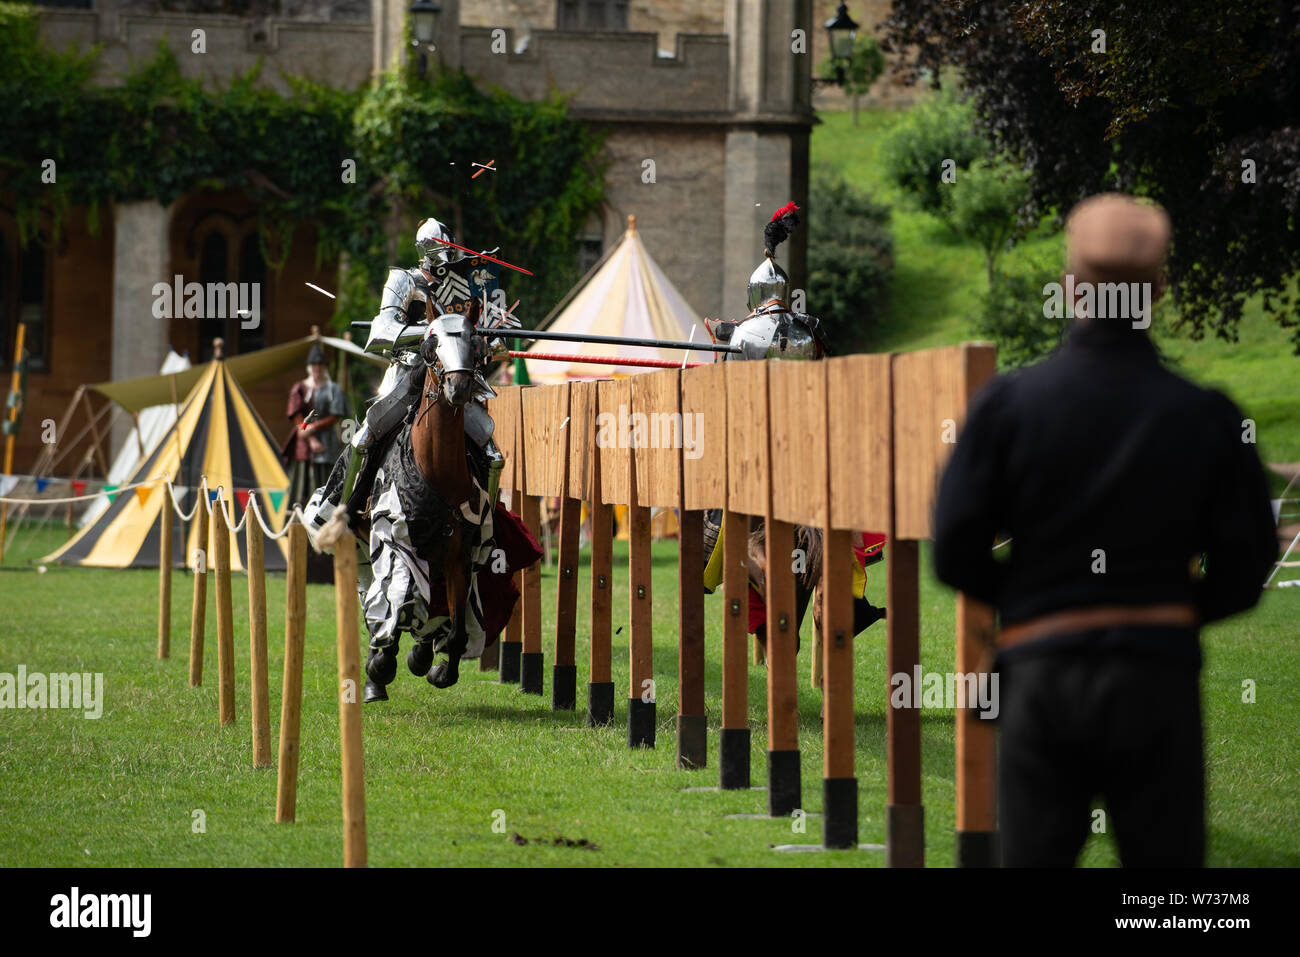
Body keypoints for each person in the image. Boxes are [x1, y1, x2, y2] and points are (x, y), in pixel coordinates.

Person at [932, 193, 1278, 867]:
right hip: (1157, 677)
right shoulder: (1206, 415)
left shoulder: (1008, 405)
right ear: (1160, 289)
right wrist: (1169, 609)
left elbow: (954, 547)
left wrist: (1035, 598)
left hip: (1040, 673)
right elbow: (1248, 561)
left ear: (1070, 287)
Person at [702, 201, 885, 648]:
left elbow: (726, 392)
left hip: (754, 448)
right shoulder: (807, 330)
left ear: (753, 294)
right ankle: (843, 593)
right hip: (809, 444)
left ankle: (732, 581)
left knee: (709, 514)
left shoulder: (744, 334)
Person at [283, 341, 349, 509]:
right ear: (309, 367)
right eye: (314, 365)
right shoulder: (300, 388)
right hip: (303, 444)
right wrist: (309, 436)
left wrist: (314, 427)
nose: (317, 368)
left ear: (324, 367)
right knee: (300, 487)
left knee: (326, 483)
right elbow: (297, 416)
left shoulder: (332, 389)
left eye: (320, 365)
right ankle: (296, 523)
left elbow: (335, 415)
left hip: (326, 442)